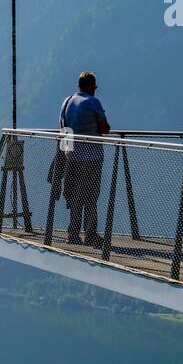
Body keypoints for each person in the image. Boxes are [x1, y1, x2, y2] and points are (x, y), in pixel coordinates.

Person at [60, 71, 110, 246]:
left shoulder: (66, 102)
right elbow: (104, 128)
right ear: (90, 86)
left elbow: (63, 130)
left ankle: (72, 234)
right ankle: (90, 235)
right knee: (90, 198)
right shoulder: (93, 102)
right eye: (94, 87)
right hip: (91, 158)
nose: (95, 90)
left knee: (75, 197)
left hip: (71, 157)